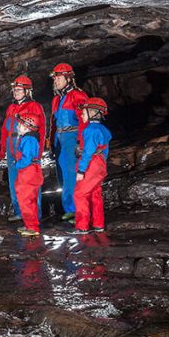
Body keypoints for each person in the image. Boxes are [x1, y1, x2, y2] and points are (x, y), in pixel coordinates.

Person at [0, 75, 46, 222]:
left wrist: (39, 152)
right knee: (15, 181)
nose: (16, 92)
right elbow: (4, 131)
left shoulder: (34, 106)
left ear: (27, 91)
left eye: (19, 89)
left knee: (30, 181)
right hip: (11, 145)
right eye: (14, 89)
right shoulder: (11, 108)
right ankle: (20, 211)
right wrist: (2, 148)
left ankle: (34, 214)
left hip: (24, 146)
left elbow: (42, 129)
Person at [49, 63, 88, 222]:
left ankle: (78, 210)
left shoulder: (78, 96)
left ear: (68, 78)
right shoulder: (57, 99)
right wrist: (51, 142)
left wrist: (81, 142)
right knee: (62, 175)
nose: (56, 81)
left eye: (58, 77)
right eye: (55, 78)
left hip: (72, 137)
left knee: (72, 174)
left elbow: (84, 120)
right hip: (60, 139)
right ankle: (69, 209)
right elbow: (53, 122)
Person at [73, 97, 112, 234]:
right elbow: (104, 151)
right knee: (95, 194)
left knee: (80, 194)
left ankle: (82, 226)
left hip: (91, 164)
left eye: (84, 112)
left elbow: (88, 153)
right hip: (101, 164)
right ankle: (98, 224)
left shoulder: (90, 130)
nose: (82, 115)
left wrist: (82, 170)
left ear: (93, 112)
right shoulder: (103, 129)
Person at [10, 113, 44, 237]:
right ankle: (31, 224)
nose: (18, 126)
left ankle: (32, 228)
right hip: (31, 172)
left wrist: (17, 164)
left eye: (20, 124)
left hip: (28, 173)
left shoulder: (28, 139)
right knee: (30, 200)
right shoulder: (30, 138)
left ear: (27, 127)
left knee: (26, 200)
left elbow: (27, 158)